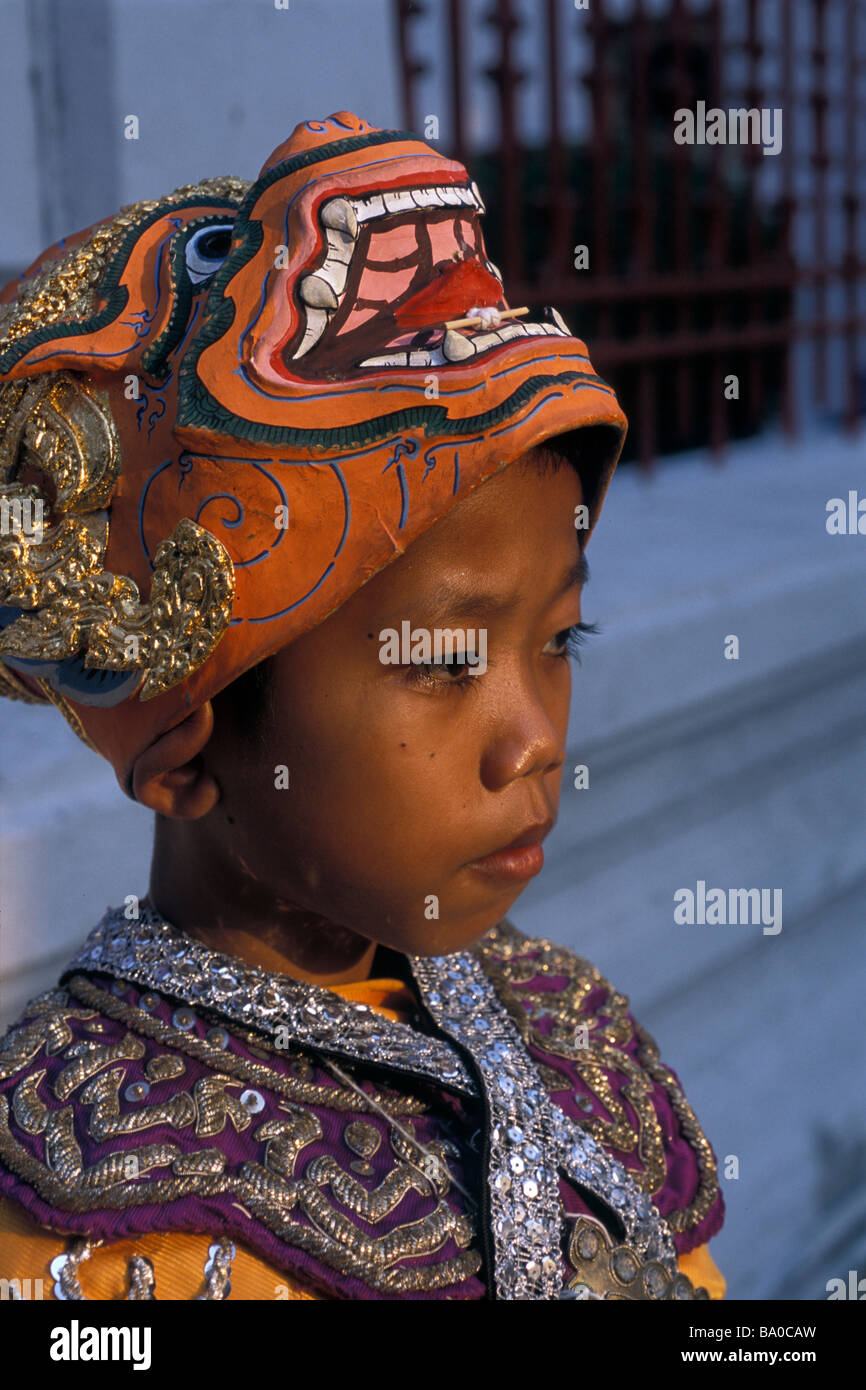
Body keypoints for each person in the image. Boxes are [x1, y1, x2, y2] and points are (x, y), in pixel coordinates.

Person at [0, 112, 725, 1301]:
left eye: (558, 639)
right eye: (444, 660)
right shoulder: (91, 1219)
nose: (535, 736)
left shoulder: (570, 1026)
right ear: (186, 745)